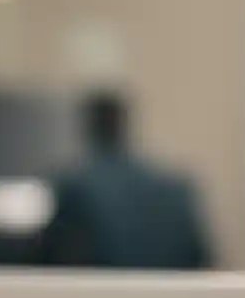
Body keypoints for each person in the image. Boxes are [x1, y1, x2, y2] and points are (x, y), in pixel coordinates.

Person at [39, 91, 212, 269]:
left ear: (89, 126)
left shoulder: (74, 186)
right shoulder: (174, 186)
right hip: (168, 293)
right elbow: (200, 257)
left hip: (104, 292)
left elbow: (52, 258)